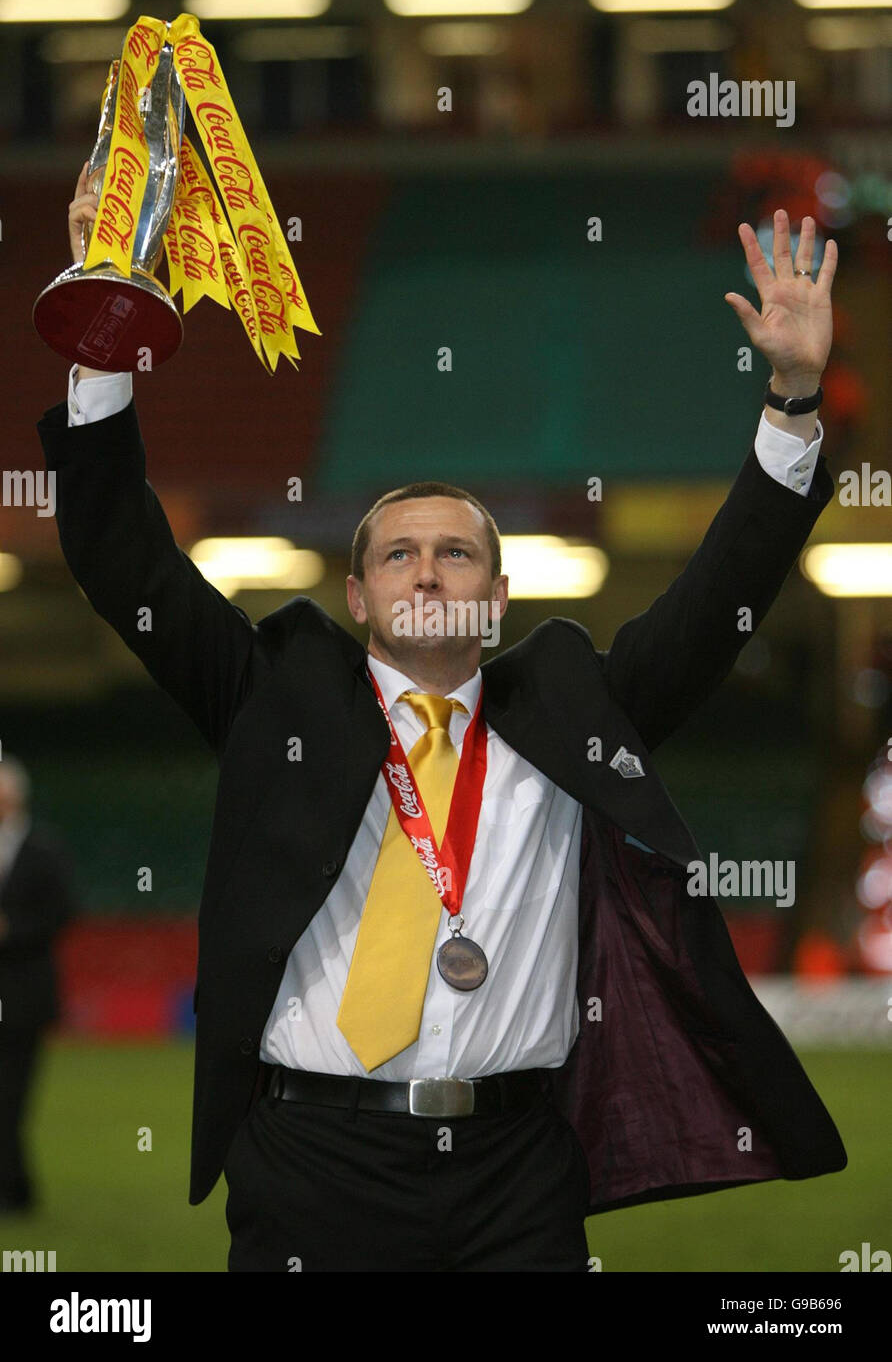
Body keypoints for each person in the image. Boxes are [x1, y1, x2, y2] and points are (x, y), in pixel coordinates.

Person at [36, 169, 846, 1270]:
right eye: (398, 551)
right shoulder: (275, 697)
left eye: (457, 548)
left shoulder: (573, 710)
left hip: (516, 1171)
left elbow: (718, 600)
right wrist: (101, 328)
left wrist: (793, 397)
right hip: (311, 1160)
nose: (427, 568)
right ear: (357, 595)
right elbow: (121, 555)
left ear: (498, 597)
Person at [0, 757, 77, 1213]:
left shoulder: (44, 849)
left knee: (10, 1097)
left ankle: (15, 1193)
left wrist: (12, 930)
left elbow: (64, 912)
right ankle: (16, 1189)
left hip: (23, 997)